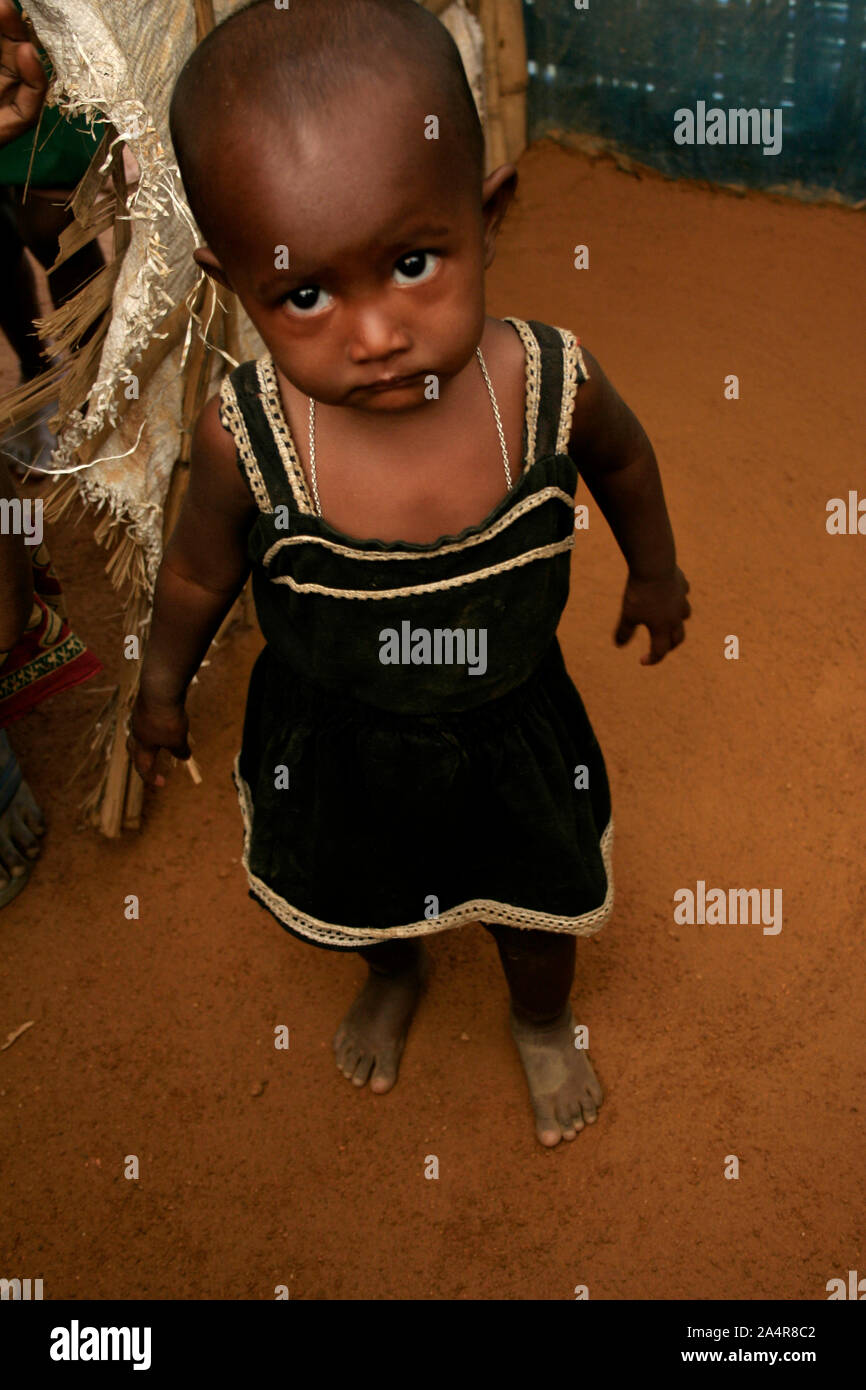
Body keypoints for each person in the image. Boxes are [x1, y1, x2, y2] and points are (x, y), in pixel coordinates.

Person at [128, 0, 691, 1147]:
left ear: (489, 217)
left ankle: (540, 1020)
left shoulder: (548, 383)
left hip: (510, 725)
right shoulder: (247, 437)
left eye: (412, 261)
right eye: (304, 294)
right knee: (365, 896)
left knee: (537, 907)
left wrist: (656, 572)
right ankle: (393, 972)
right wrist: (158, 686)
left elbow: (625, 460)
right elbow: (196, 579)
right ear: (233, 282)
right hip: (339, 740)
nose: (374, 333)